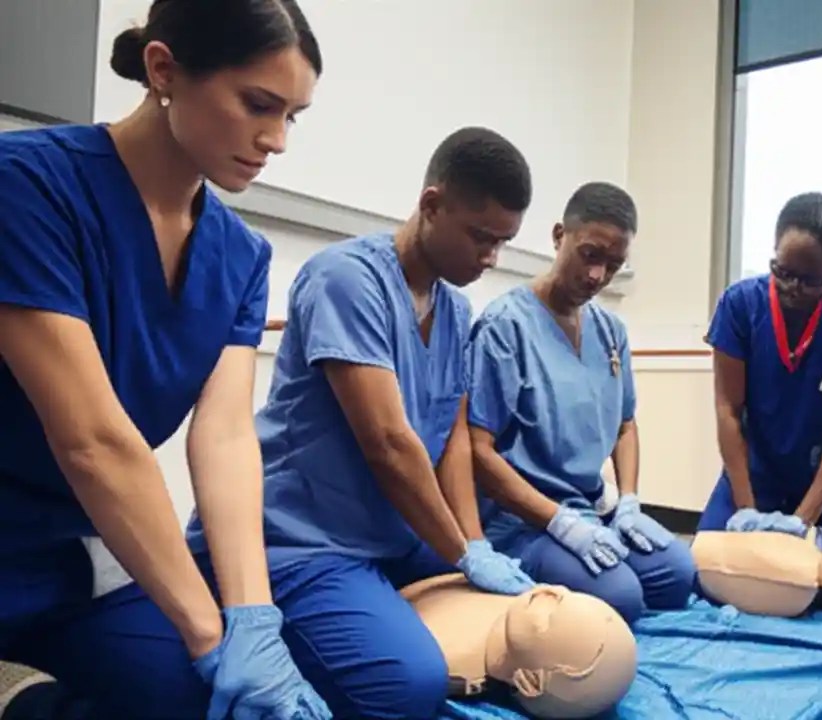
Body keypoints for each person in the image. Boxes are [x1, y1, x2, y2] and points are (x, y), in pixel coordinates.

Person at [0, 1, 329, 718]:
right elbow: (93, 442)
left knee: (205, 699)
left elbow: (227, 438)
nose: (276, 140)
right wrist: (208, 632)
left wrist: (253, 620)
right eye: (257, 105)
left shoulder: (241, 257)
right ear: (163, 70)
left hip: (85, 557)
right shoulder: (24, 186)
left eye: (292, 116)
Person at [186, 127, 537, 719]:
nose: (490, 258)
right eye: (481, 237)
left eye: (502, 242)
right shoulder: (347, 279)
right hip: (301, 540)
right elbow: (390, 445)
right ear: (431, 205)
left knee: (539, 593)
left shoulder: (454, 310)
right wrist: (459, 553)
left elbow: (451, 438)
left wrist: (473, 545)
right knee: (409, 685)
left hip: (391, 534)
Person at [467, 181, 696, 624]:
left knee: (676, 575)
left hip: (591, 510)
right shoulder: (506, 326)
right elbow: (478, 451)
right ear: (559, 236)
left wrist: (629, 502)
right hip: (523, 521)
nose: (597, 276)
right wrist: (559, 523)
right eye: (590, 255)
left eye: (613, 265)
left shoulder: (610, 332)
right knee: (622, 597)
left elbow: (625, 425)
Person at [698, 192, 822, 541]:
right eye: (782, 272)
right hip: (757, 468)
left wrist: (802, 521)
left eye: (810, 280)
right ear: (774, 249)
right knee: (707, 562)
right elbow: (727, 410)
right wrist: (746, 509)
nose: (792, 288)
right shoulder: (740, 305)